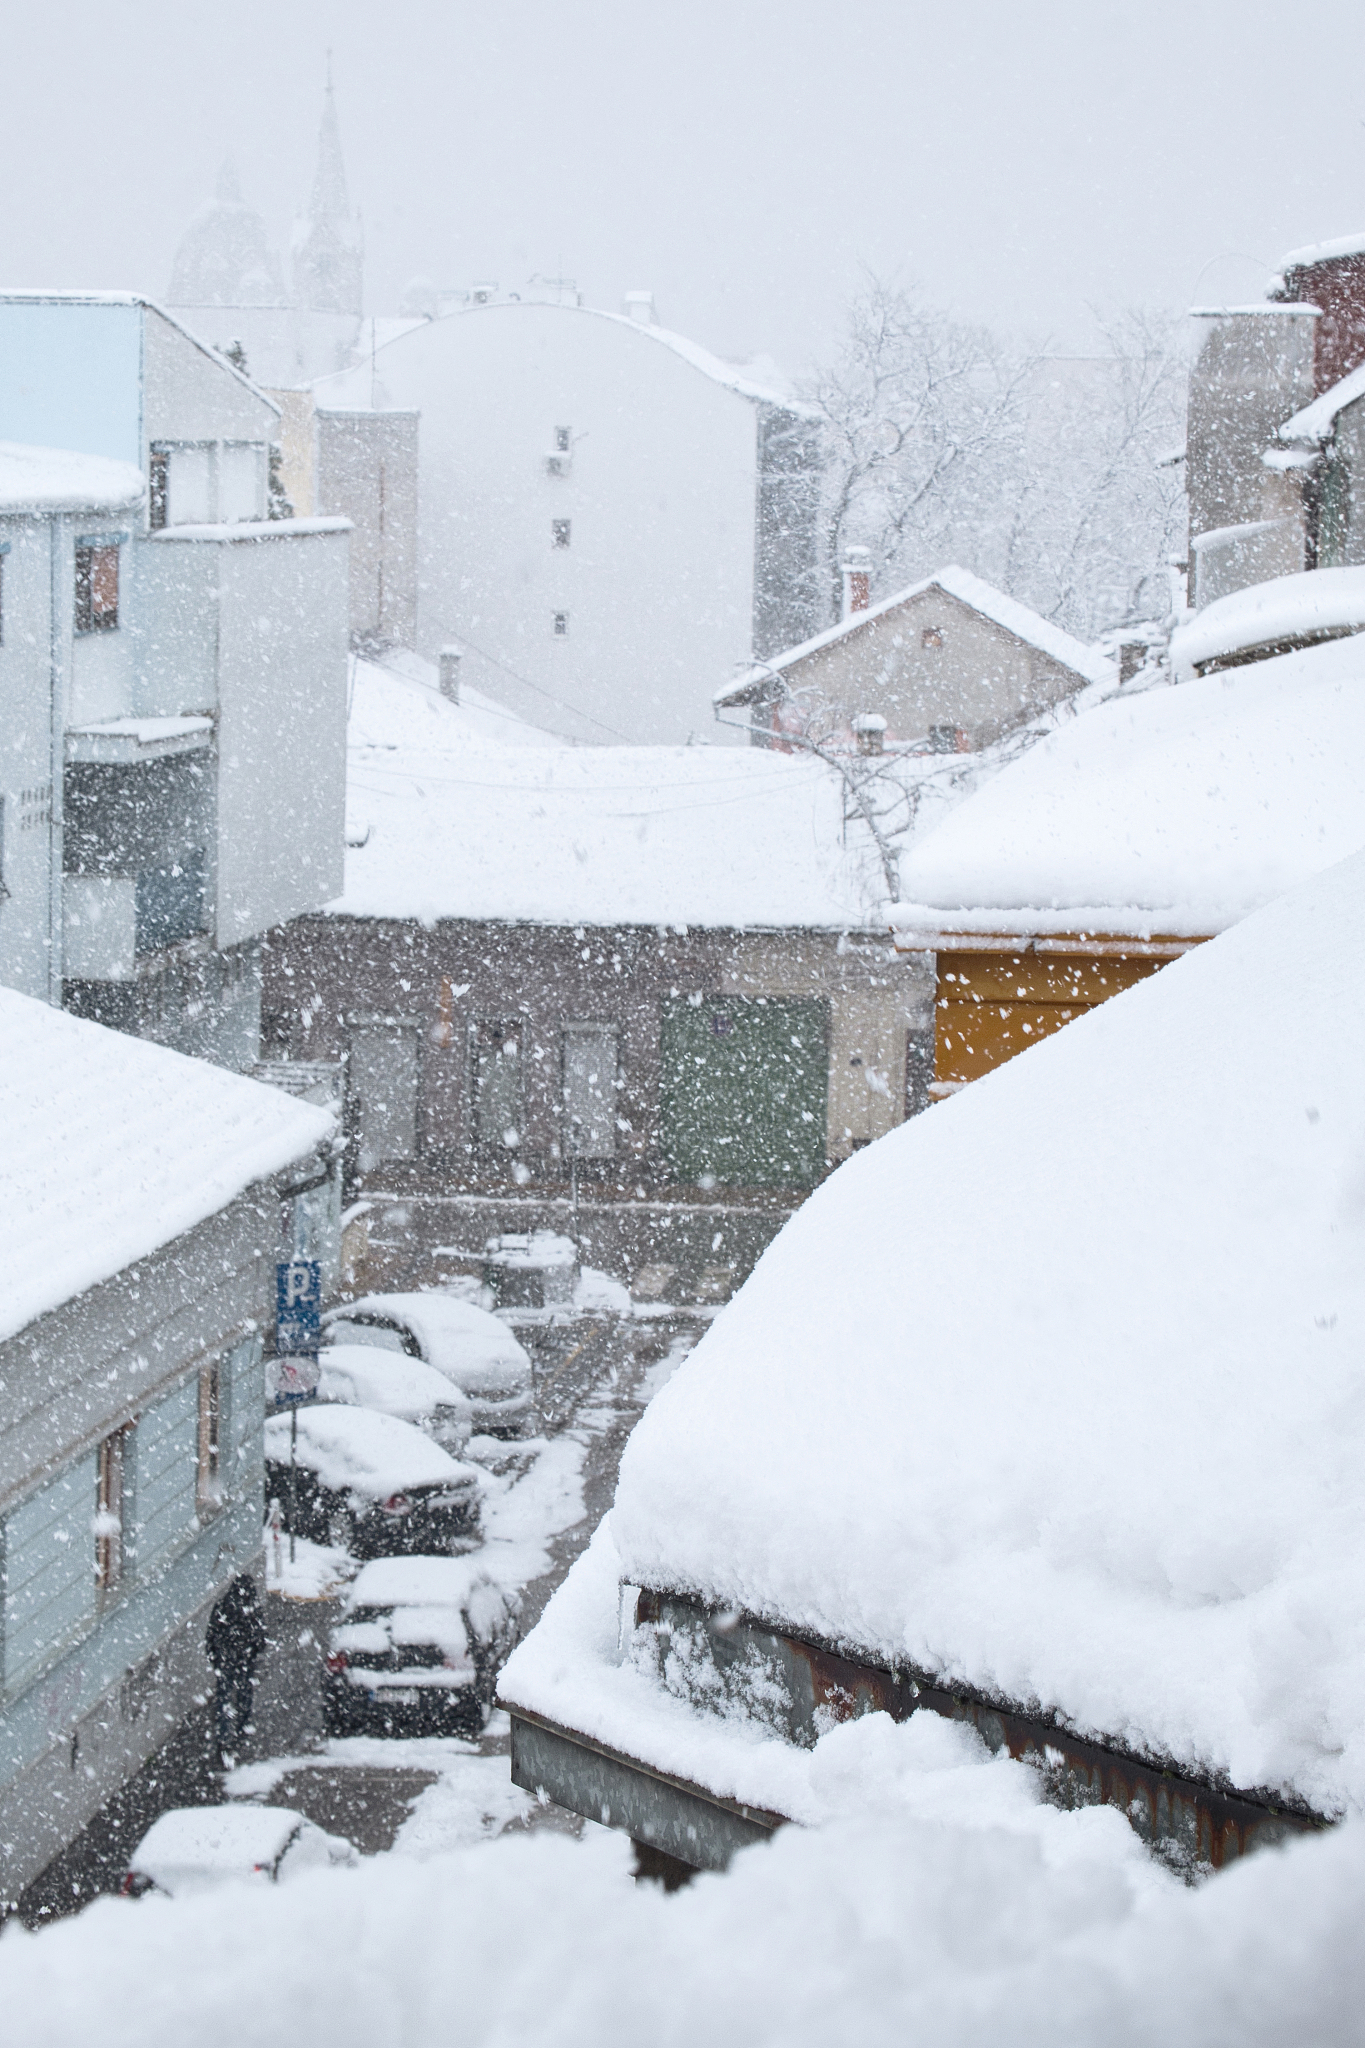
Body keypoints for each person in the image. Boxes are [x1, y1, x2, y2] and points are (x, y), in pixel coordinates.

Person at [206, 1574, 266, 1767]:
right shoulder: (251, 1609)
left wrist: (215, 1657)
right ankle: (242, 1728)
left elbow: (212, 1634)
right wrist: (252, 1652)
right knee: (244, 1693)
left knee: (223, 1696)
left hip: (225, 1660)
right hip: (243, 1660)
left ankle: (223, 1735)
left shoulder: (223, 1606)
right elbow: (259, 1635)